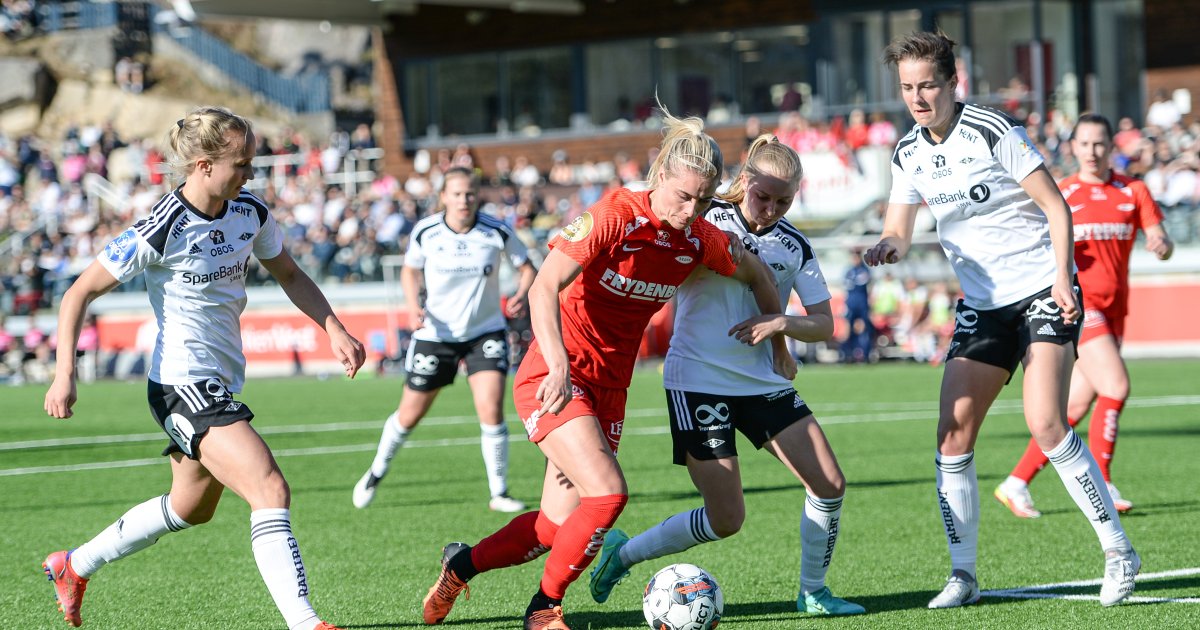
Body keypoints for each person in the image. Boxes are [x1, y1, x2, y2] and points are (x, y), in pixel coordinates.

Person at [419, 109, 791, 630]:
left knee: (555, 528)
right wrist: (556, 366)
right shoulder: (614, 216)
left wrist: (778, 345)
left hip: (609, 389)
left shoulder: (699, 240)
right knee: (609, 494)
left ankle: (459, 566)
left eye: (704, 200)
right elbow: (542, 287)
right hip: (554, 378)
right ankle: (543, 610)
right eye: (684, 196)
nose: (693, 209)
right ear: (660, 177)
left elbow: (758, 276)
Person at [41, 106, 364, 630]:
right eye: (241, 164)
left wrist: (333, 326)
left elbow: (290, 273)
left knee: (190, 507)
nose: (249, 174)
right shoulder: (160, 226)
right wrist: (64, 374)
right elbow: (77, 293)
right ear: (203, 164)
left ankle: (73, 566)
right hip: (181, 381)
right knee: (269, 488)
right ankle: (306, 623)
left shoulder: (250, 213)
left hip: (221, 380)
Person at [867, 32, 1139, 609]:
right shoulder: (907, 152)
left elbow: (1055, 206)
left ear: (953, 82)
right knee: (952, 434)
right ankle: (963, 576)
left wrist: (1064, 279)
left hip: (1042, 289)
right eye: (908, 88)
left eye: (928, 86)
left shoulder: (992, 130)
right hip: (983, 305)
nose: (918, 99)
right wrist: (887, 246)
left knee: (1046, 422)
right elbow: (899, 226)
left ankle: (1119, 551)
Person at [587, 135, 865, 617]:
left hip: (763, 384)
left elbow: (824, 323)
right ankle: (624, 553)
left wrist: (781, 327)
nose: (772, 209)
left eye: (784, 200)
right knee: (727, 518)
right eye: (763, 197)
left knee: (829, 483)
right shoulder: (701, 215)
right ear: (743, 182)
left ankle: (813, 592)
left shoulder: (793, 244)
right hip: (697, 379)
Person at [995, 113, 1174, 518]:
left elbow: (1159, 236)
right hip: (1078, 305)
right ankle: (1103, 483)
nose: (1092, 151)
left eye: (1100, 144)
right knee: (1117, 385)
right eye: (1084, 144)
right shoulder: (1062, 194)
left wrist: (1162, 242)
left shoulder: (1134, 190)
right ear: (1072, 148)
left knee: (1072, 407)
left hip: (1116, 313)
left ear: (1112, 147)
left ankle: (1016, 482)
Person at [352, 166, 537, 513]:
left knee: (491, 409)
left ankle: (499, 491)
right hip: (436, 335)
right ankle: (375, 473)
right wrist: (411, 307)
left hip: (485, 332)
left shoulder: (496, 230)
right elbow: (409, 270)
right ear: (444, 197)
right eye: (456, 194)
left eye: (469, 193)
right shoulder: (426, 231)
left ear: (477, 195)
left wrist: (522, 292)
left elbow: (527, 266)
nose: (464, 200)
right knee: (409, 415)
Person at [842, 250, 873, 362]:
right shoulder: (849, 271)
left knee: (864, 328)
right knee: (848, 329)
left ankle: (865, 354)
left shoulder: (864, 270)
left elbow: (863, 282)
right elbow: (847, 286)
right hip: (851, 303)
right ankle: (847, 354)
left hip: (862, 304)